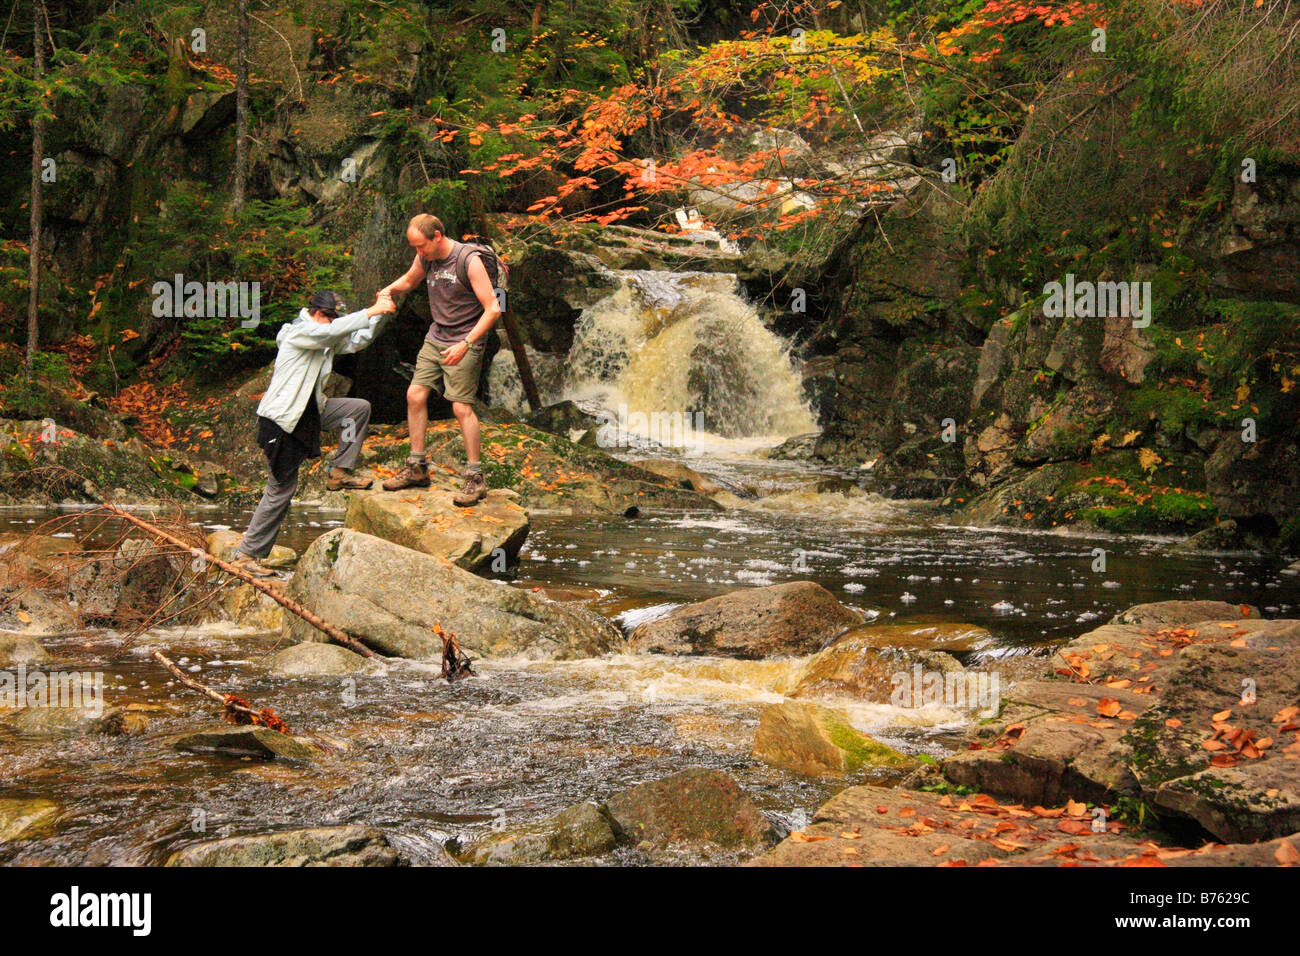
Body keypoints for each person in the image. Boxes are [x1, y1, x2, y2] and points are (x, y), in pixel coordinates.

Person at [230, 290, 394, 577]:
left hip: (310, 414)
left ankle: (340, 471)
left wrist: (379, 313)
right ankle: (246, 554)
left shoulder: (326, 336)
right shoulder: (299, 332)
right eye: (329, 316)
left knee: (357, 409)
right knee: (281, 488)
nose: (332, 322)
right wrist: (370, 310)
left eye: (334, 318)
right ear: (317, 313)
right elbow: (334, 332)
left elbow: (357, 341)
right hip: (281, 422)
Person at [375, 214, 503, 506]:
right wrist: (388, 290)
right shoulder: (426, 257)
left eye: (422, 246)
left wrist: (466, 344)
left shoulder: (468, 260)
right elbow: (410, 280)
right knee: (415, 394)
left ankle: (475, 478)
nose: (418, 253)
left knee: (460, 407)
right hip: (437, 336)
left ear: (437, 236)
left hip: (467, 337)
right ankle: (417, 467)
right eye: (414, 248)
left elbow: (493, 308)